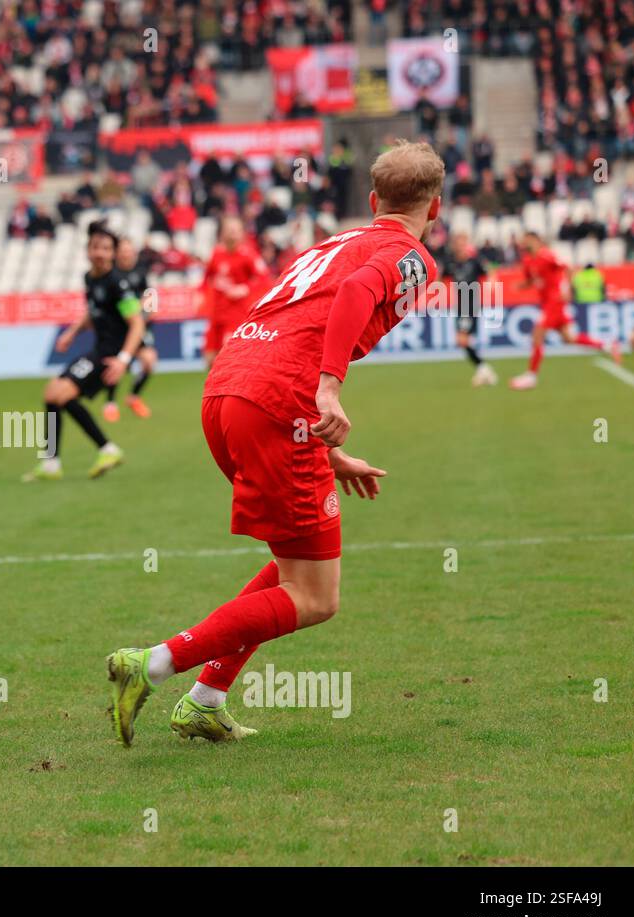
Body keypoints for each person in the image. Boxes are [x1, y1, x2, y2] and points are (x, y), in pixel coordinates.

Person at [105, 141, 444, 746]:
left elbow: (302, 310)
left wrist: (324, 449)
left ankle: (205, 700)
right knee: (316, 595)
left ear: (372, 202)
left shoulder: (335, 241)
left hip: (229, 390)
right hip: (278, 399)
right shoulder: (410, 254)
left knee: (296, 565)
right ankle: (150, 664)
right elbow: (355, 296)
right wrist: (329, 389)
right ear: (435, 209)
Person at [22, 221, 144, 482]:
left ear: (112, 253)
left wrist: (123, 360)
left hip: (108, 356)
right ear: (87, 250)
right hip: (98, 350)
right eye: (95, 247)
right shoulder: (91, 278)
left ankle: (103, 450)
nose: (100, 252)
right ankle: (55, 461)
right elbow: (94, 310)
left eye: (106, 248)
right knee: (53, 394)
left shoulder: (117, 284)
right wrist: (72, 332)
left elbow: (137, 324)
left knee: (58, 394)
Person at [509, 233, 621, 390]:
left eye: (527, 239)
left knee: (537, 334)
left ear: (536, 240)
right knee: (569, 338)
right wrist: (520, 286)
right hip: (547, 302)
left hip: (555, 301)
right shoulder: (527, 260)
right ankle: (608, 345)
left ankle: (531, 376)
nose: (524, 242)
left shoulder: (546, 255)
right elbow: (531, 280)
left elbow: (567, 268)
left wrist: (568, 288)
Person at [199, 217, 268, 368]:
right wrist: (201, 294)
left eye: (235, 231)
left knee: (228, 353)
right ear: (222, 233)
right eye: (229, 230)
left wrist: (245, 288)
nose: (232, 234)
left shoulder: (248, 255)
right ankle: (216, 389)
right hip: (217, 313)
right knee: (209, 358)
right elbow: (207, 277)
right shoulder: (216, 253)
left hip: (236, 313)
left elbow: (264, 278)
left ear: (242, 233)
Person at [102, 238, 157, 420]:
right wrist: (135, 305)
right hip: (117, 328)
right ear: (117, 253)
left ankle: (133, 397)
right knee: (116, 364)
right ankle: (110, 403)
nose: (127, 253)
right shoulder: (112, 274)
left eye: (129, 250)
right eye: (123, 250)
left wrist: (146, 310)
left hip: (137, 327)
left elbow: (150, 298)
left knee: (149, 361)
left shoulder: (140, 272)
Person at [445, 232, 497, 385]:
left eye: (463, 243)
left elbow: (490, 272)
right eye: (458, 243)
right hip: (460, 305)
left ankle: (484, 370)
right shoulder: (451, 263)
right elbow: (441, 279)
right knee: (463, 340)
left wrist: (492, 282)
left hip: (471, 304)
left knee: (462, 339)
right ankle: (483, 370)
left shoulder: (475, 261)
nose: (460, 247)